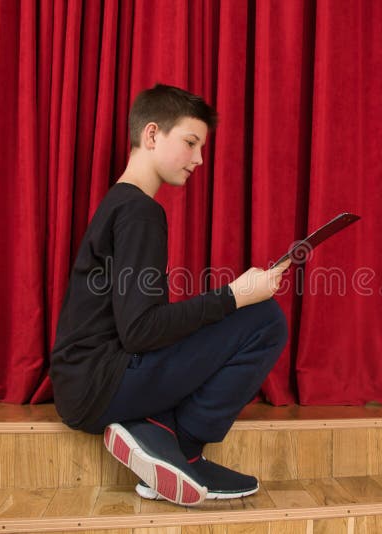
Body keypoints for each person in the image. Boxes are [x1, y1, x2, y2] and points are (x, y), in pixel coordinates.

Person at [49, 83, 291, 506]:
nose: (199, 159)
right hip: (100, 386)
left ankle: (154, 432)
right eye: (191, 143)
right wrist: (235, 296)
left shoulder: (119, 204)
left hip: (82, 385)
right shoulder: (140, 212)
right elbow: (141, 332)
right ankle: (184, 446)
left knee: (231, 315)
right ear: (153, 135)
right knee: (265, 320)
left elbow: (135, 324)